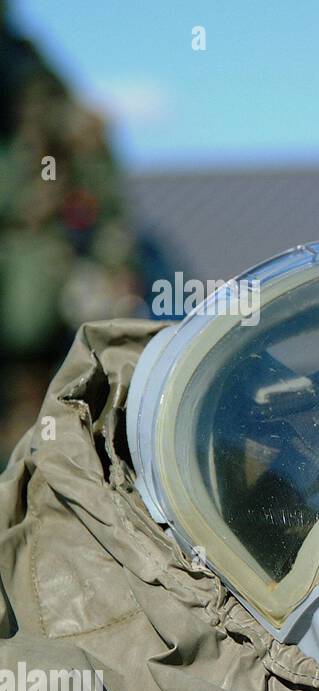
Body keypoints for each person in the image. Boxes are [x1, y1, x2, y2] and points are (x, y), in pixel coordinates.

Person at [0, 4, 138, 456]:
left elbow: (88, 149)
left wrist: (111, 256)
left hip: (30, 247)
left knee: (33, 319)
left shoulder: (30, 74)